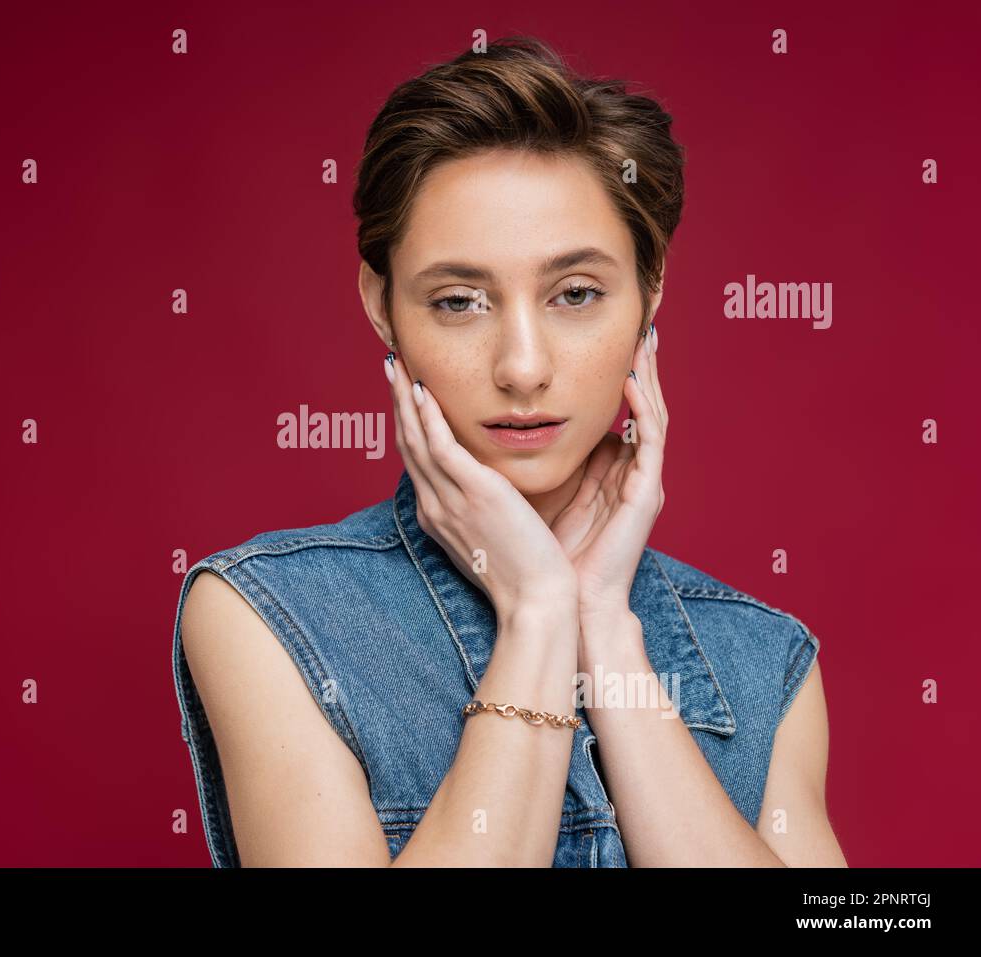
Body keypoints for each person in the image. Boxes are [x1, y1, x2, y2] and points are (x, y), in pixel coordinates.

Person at [171, 35, 846, 867]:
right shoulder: (267, 615)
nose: (522, 367)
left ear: (651, 290)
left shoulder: (762, 659)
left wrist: (602, 620)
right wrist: (534, 615)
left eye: (576, 293)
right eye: (459, 300)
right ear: (382, 306)